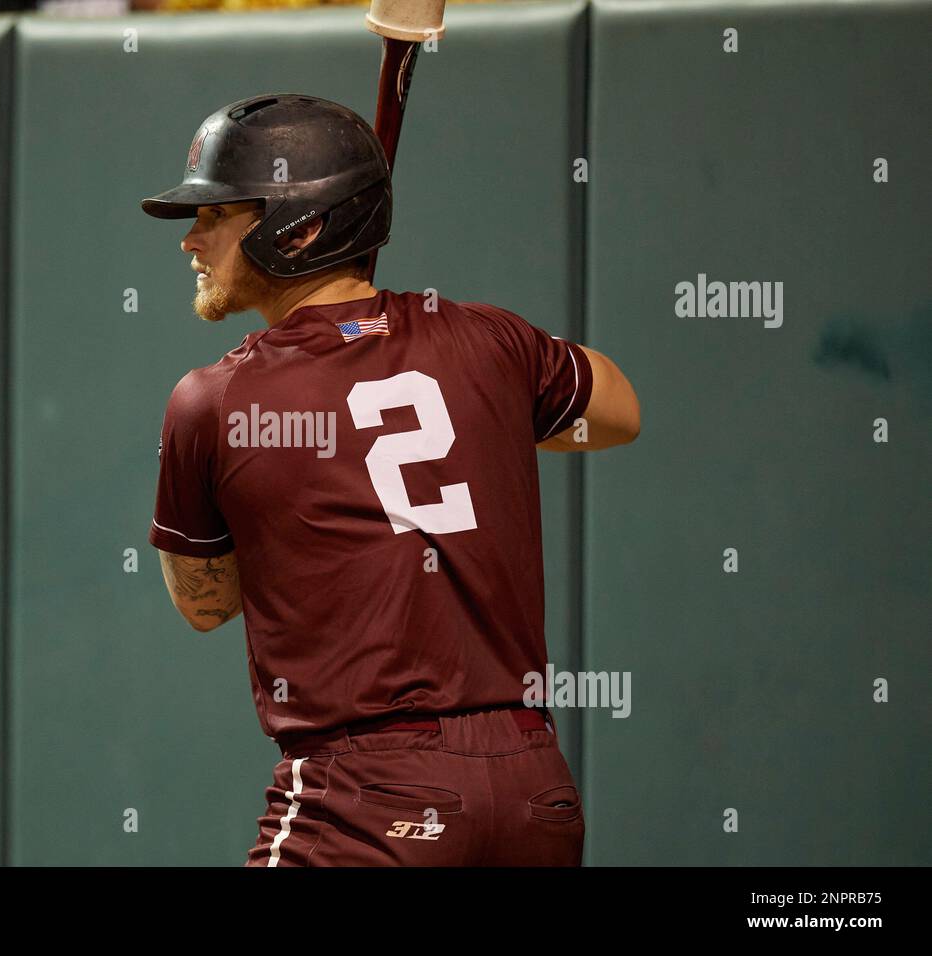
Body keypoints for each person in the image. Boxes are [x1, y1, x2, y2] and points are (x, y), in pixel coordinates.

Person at [140, 93, 640, 866]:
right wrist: (487, 419)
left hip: (367, 803)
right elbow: (619, 411)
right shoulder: (491, 340)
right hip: (536, 794)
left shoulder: (211, 400)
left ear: (296, 229)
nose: (191, 241)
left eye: (215, 216)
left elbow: (205, 605)